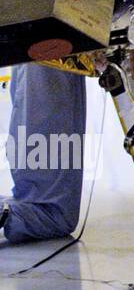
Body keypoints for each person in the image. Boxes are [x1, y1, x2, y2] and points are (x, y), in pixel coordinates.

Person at [2, 64, 87, 243]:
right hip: (52, 56)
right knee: (57, 217)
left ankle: (21, 206)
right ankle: (15, 212)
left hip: (41, 55)